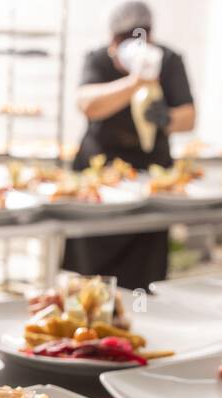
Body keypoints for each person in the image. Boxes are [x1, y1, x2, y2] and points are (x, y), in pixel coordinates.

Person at [61, 1, 195, 291]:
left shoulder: (169, 61)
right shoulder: (98, 60)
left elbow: (188, 117)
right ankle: (91, 323)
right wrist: (136, 82)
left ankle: (139, 324)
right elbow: (87, 104)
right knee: (90, 277)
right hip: (100, 178)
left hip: (150, 180)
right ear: (112, 41)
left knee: (143, 273)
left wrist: (166, 118)